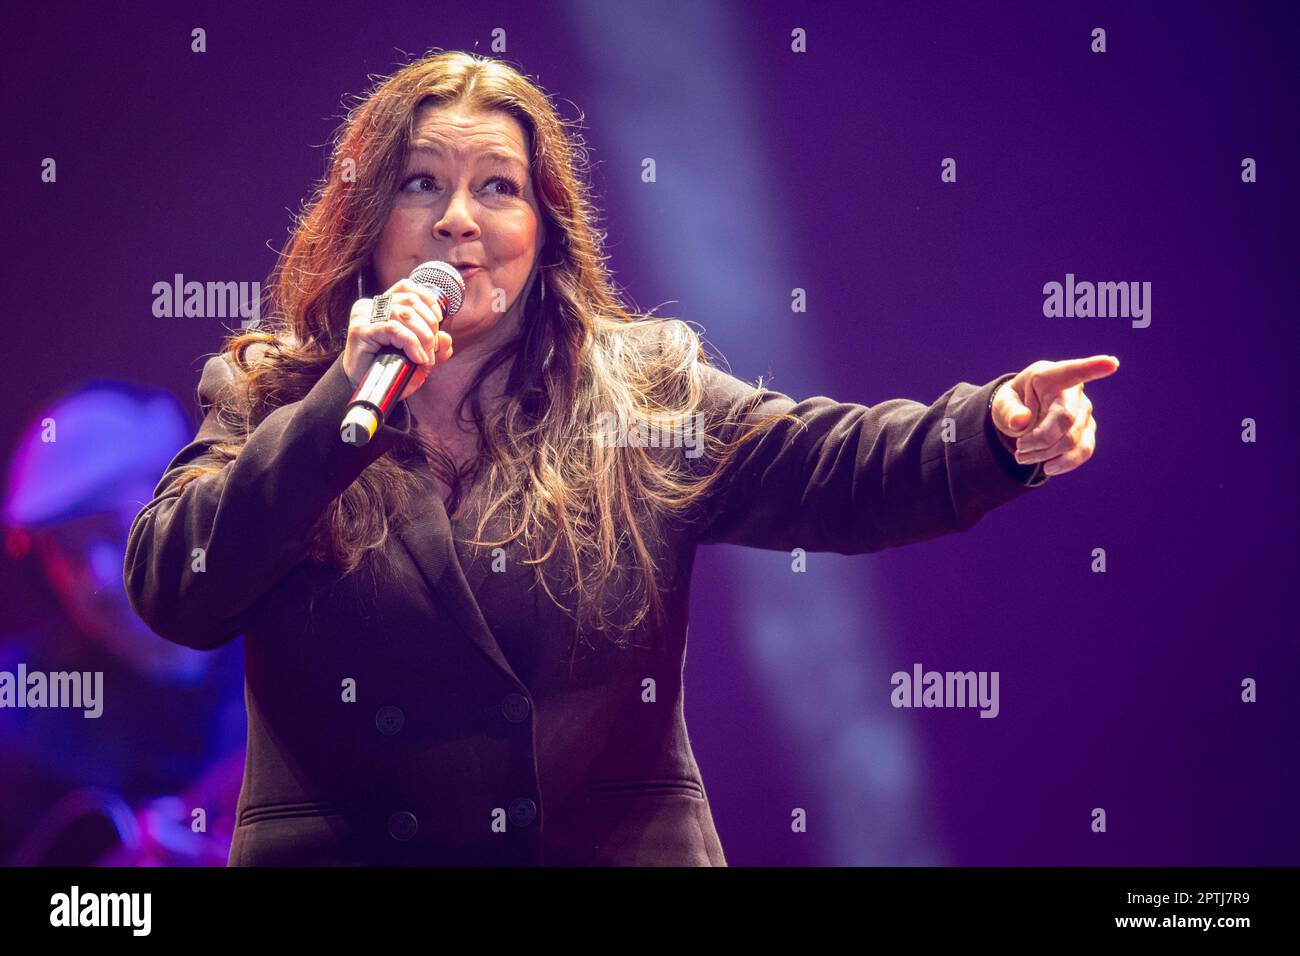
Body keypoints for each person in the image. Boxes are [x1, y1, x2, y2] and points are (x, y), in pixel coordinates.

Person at [122, 50, 1117, 866]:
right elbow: (178, 585)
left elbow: (836, 464)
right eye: (422, 182)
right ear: (365, 216)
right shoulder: (270, 395)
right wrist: (345, 392)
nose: (459, 217)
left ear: (543, 229)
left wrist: (991, 427)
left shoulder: (638, 392)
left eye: (497, 188)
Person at [0, 380, 244, 865]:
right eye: (67, 551)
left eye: (115, 530)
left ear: (180, 504)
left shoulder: (293, 645)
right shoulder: (16, 705)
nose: (98, 577)